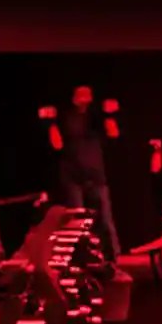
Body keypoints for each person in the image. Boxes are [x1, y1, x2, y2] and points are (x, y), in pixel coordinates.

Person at [46, 84, 122, 260]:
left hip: (96, 174)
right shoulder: (66, 117)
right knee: (77, 222)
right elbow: (57, 143)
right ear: (74, 97)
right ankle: (79, 257)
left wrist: (110, 115)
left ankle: (113, 256)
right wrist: (50, 125)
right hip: (73, 175)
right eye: (80, 94)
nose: (84, 98)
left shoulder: (96, 117)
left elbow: (113, 134)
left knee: (105, 219)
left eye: (87, 94)